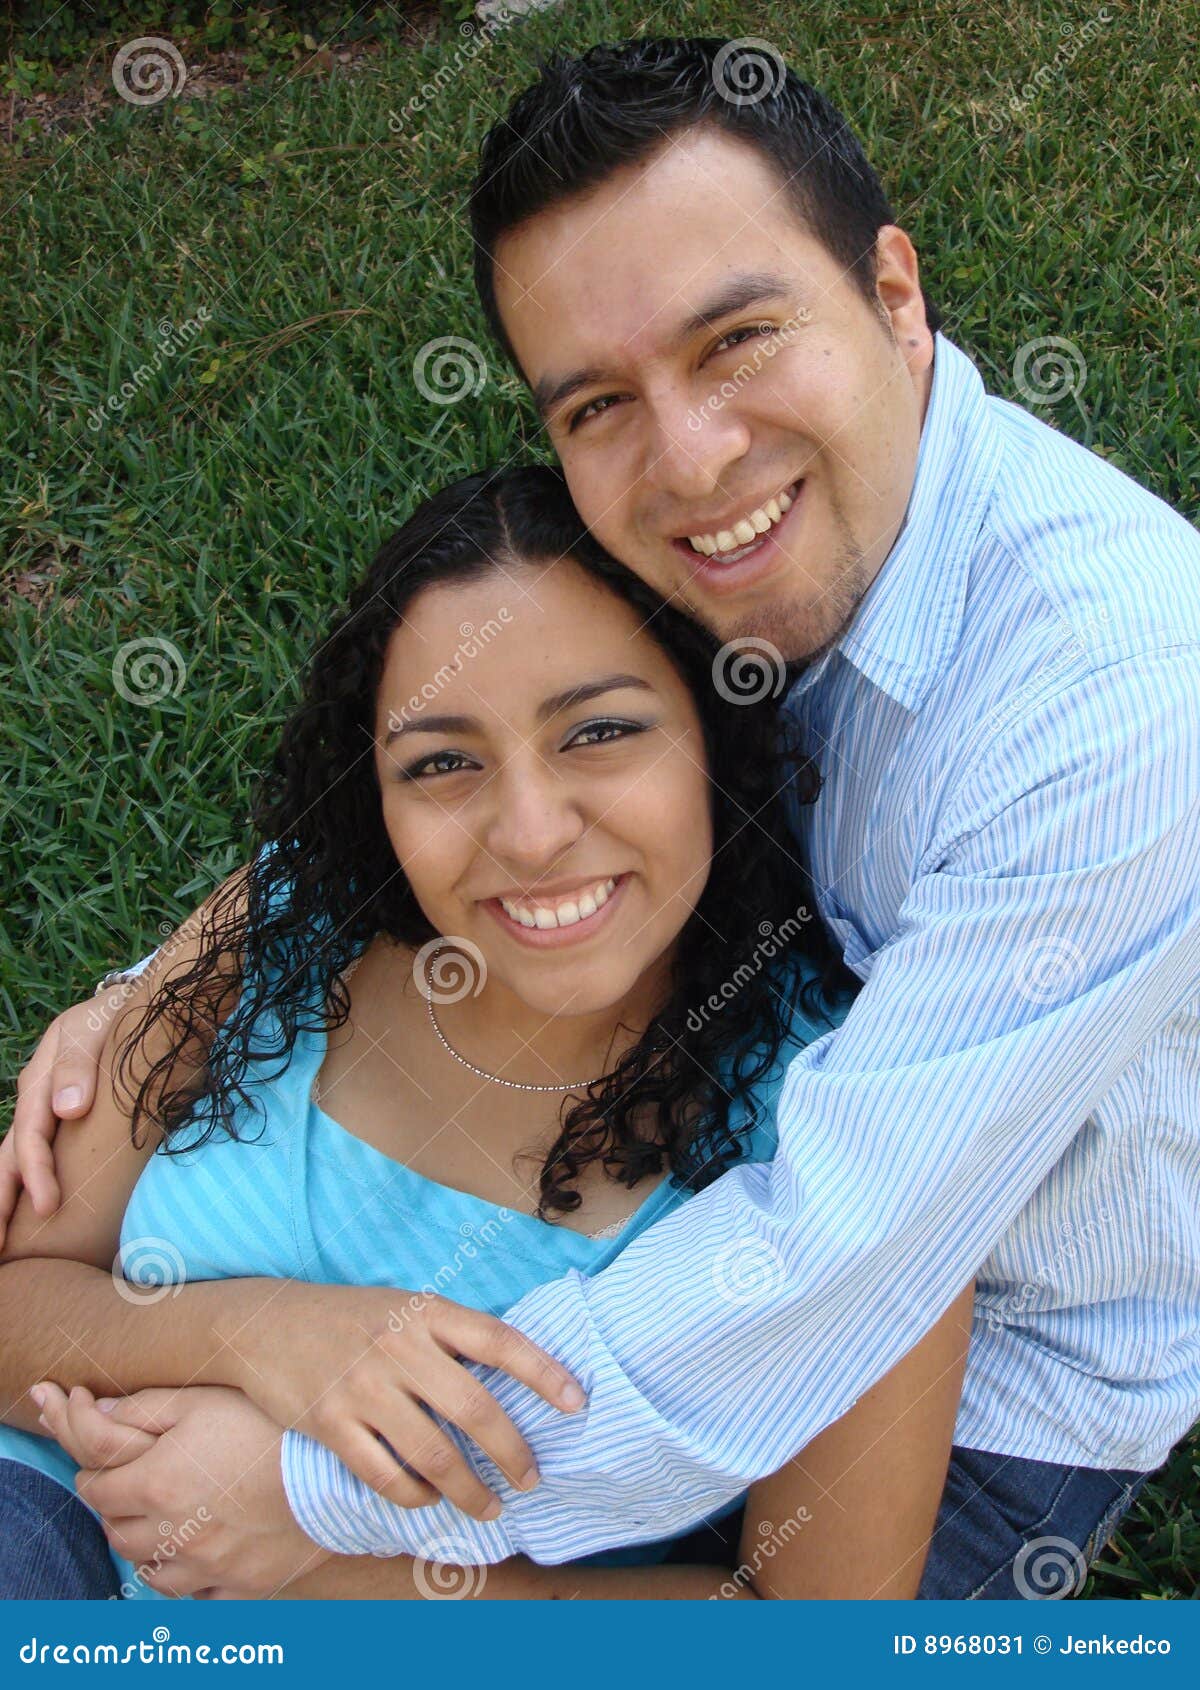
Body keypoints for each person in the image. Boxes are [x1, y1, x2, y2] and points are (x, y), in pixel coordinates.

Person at [6, 38, 1198, 1600]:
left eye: (740, 339)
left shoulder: (1121, 699)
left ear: (897, 299)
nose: (693, 460)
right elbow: (475, 732)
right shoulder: (715, 569)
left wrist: (319, 1500)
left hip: (1006, 1334)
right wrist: (168, 980)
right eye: (596, 402)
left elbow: (835, 1262)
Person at [0, 465, 973, 1600]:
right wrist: (265, 1336)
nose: (528, 830)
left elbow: (812, 1632)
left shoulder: (847, 1131)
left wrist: (334, 1555)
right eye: (443, 763)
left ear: (716, 733)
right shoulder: (285, 923)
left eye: (600, 730)